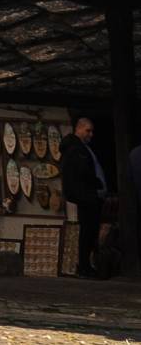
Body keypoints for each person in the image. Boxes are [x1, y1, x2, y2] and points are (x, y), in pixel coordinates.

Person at [62, 111, 113, 275]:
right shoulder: (76, 149)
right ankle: (85, 266)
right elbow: (82, 171)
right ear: (79, 129)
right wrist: (95, 182)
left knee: (90, 231)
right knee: (87, 232)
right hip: (86, 195)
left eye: (91, 131)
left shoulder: (82, 148)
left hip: (90, 195)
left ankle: (87, 265)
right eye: (88, 130)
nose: (91, 134)